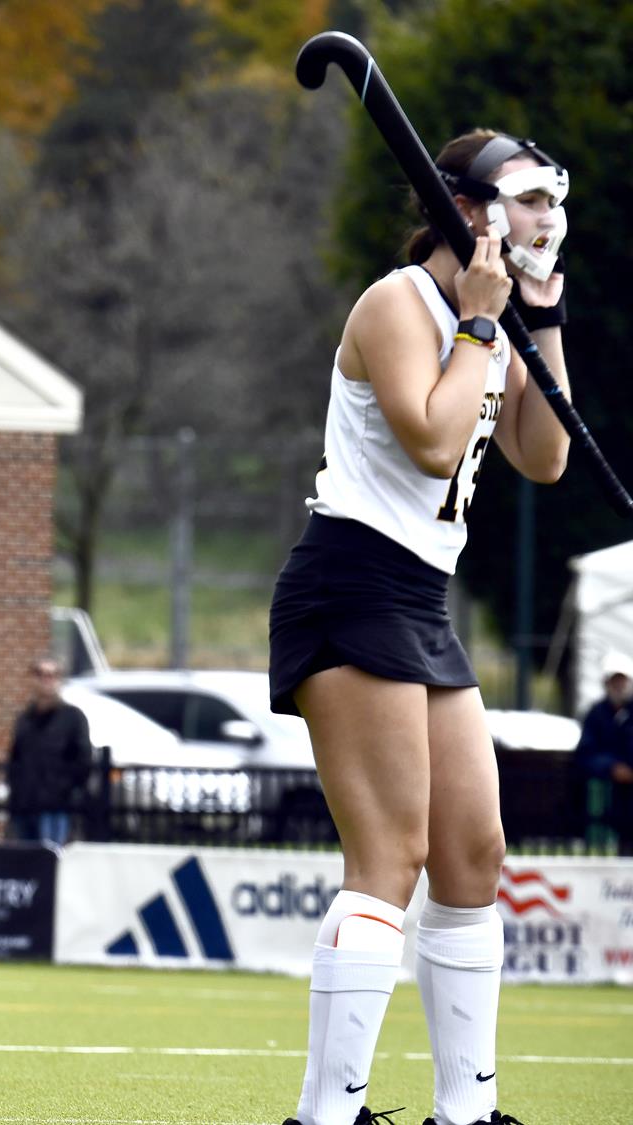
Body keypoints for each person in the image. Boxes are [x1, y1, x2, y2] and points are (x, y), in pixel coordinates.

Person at [266, 130, 573, 1125]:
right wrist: (481, 328)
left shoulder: (497, 317)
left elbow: (543, 456)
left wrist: (539, 316)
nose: (543, 218)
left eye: (550, 200)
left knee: (471, 855)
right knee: (388, 859)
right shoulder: (398, 303)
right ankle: (325, 1115)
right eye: (524, 199)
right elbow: (436, 442)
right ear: (466, 209)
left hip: (415, 599)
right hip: (350, 582)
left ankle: (465, 1112)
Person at [5, 658, 92, 847]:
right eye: (40, 674)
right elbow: (15, 759)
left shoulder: (72, 717)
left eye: (51, 675)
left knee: (50, 859)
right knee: (25, 863)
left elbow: (83, 760)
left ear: (59, 680)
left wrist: (65, 789)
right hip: (25, 805)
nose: (46, 680)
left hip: (56, 806)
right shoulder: (25, 719)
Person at [576, 652, 633, 856]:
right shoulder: (597, 714)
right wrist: (612, 768)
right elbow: (585, 754)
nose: (619, 685)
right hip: (608, 797)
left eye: (622, 680)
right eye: (614, 680)